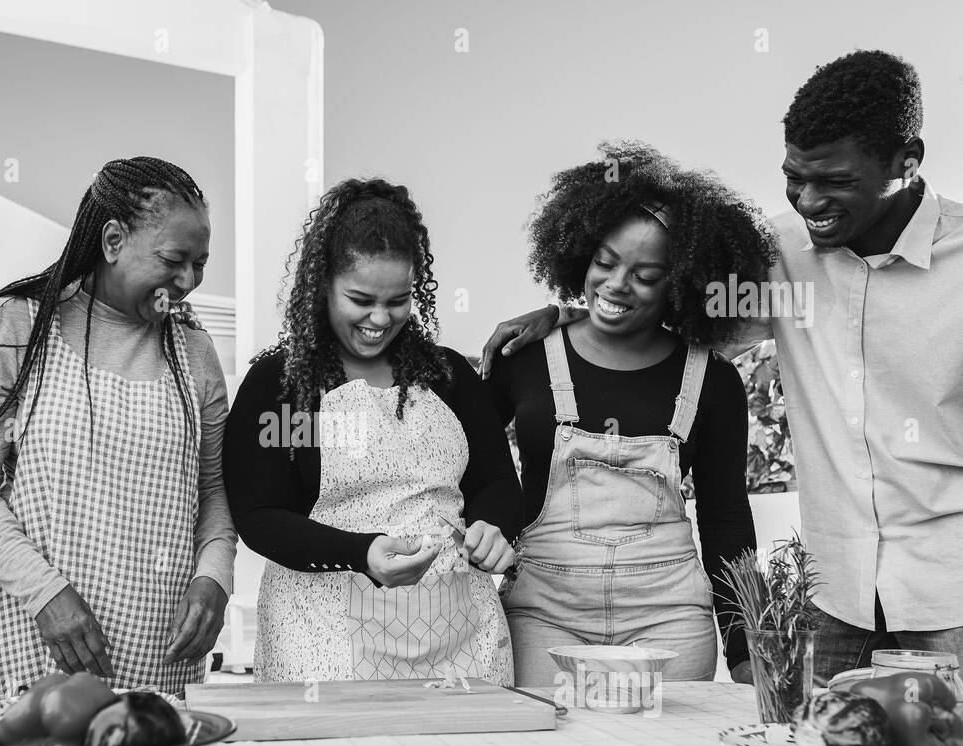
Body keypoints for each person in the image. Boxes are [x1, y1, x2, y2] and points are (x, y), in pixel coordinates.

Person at [481, 51, 963, 684]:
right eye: (795, 176)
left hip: (949, 592)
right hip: (834, 598)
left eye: (835, 181)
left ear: (907, 160)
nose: (809, 200)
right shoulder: (783, 255)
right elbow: (664, 314)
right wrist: (564, 313)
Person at [0, 157, 235, 700]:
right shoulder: (19, 326)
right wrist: (46, 594)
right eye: (174, 260)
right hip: (32, 636)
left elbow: (213, 490)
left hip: (158, 646)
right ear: (114, 240)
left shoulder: (196, 353)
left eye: (200, 264)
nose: (188, 282)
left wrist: (215, 576)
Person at [487, 143, 772, 685]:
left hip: (669, 620)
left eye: (646, 275)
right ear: (580, 256)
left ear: (681, 285)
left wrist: (743, 645)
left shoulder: (711, 379)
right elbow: (473, 470)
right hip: (542, 614)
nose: (616, 285)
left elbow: (726, 517)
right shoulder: (525, 359)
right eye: (605, 262)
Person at [223, 178, 522, 684]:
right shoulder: (283, 384)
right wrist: (359, 552)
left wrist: (492, 525)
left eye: (398, 300)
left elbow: (495, 481)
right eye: (360, 299)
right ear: (322, 285)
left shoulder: (450, 377)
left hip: (460, 639)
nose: (380, 319)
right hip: (322, 639)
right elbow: (260, 515)